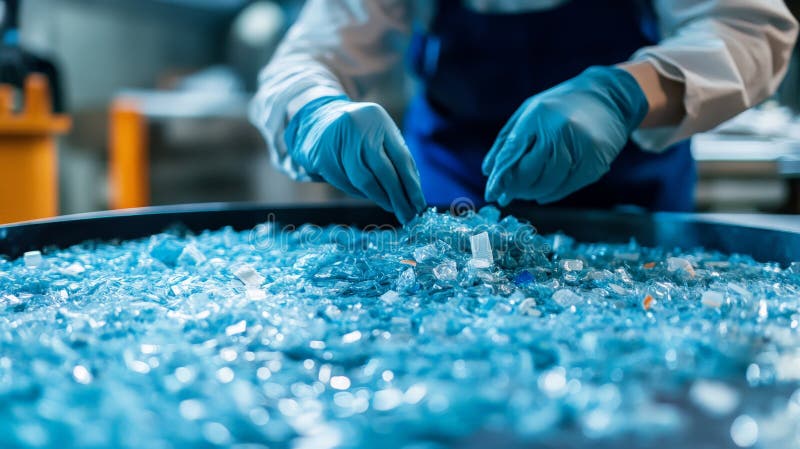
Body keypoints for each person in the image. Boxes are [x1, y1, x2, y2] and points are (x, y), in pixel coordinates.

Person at [250, 0, 798, 223]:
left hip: (631, 201)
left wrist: (622, 94)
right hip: (449, 195)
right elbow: (310, 55)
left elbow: (749, 30)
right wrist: (314, 113)